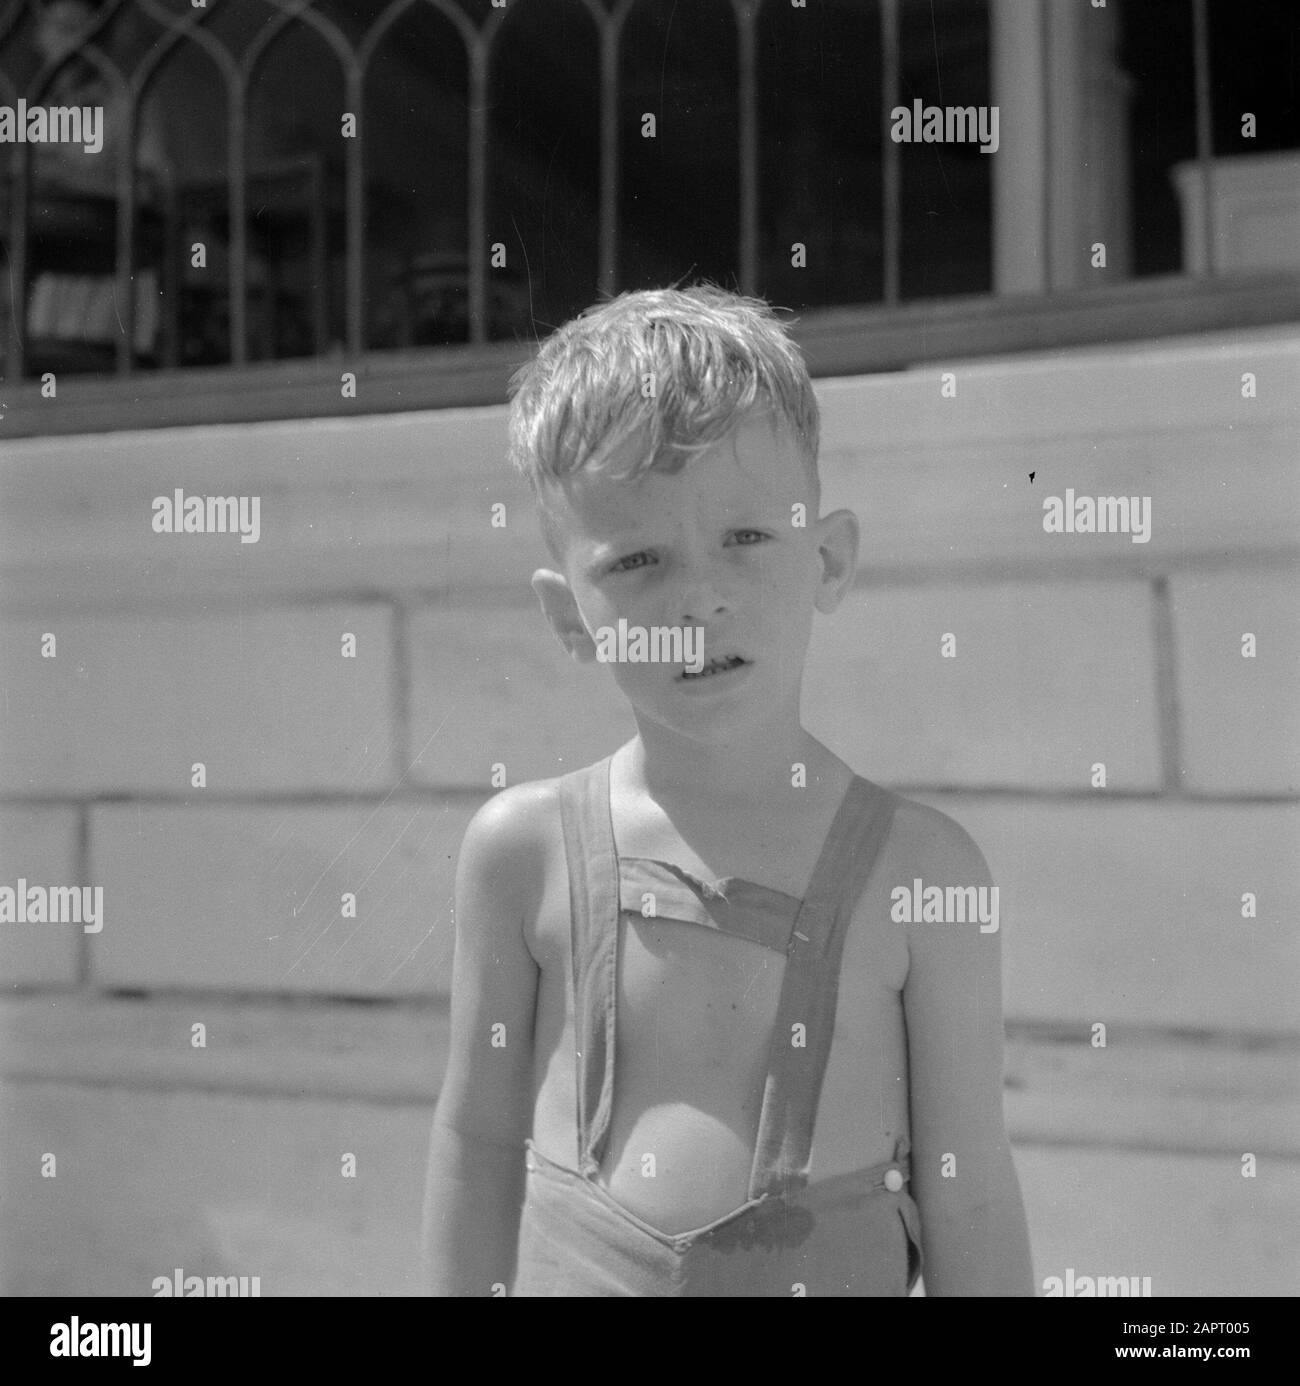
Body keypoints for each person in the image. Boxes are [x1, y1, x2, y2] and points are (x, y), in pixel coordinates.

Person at [422, 285, 1033, 1296]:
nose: (698, 598)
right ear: (569, 618)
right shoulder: (520, 853)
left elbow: (967, 1192)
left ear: (827, 560)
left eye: (746, 539)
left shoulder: (923, 871)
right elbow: (477, 1143)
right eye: (637, 560)